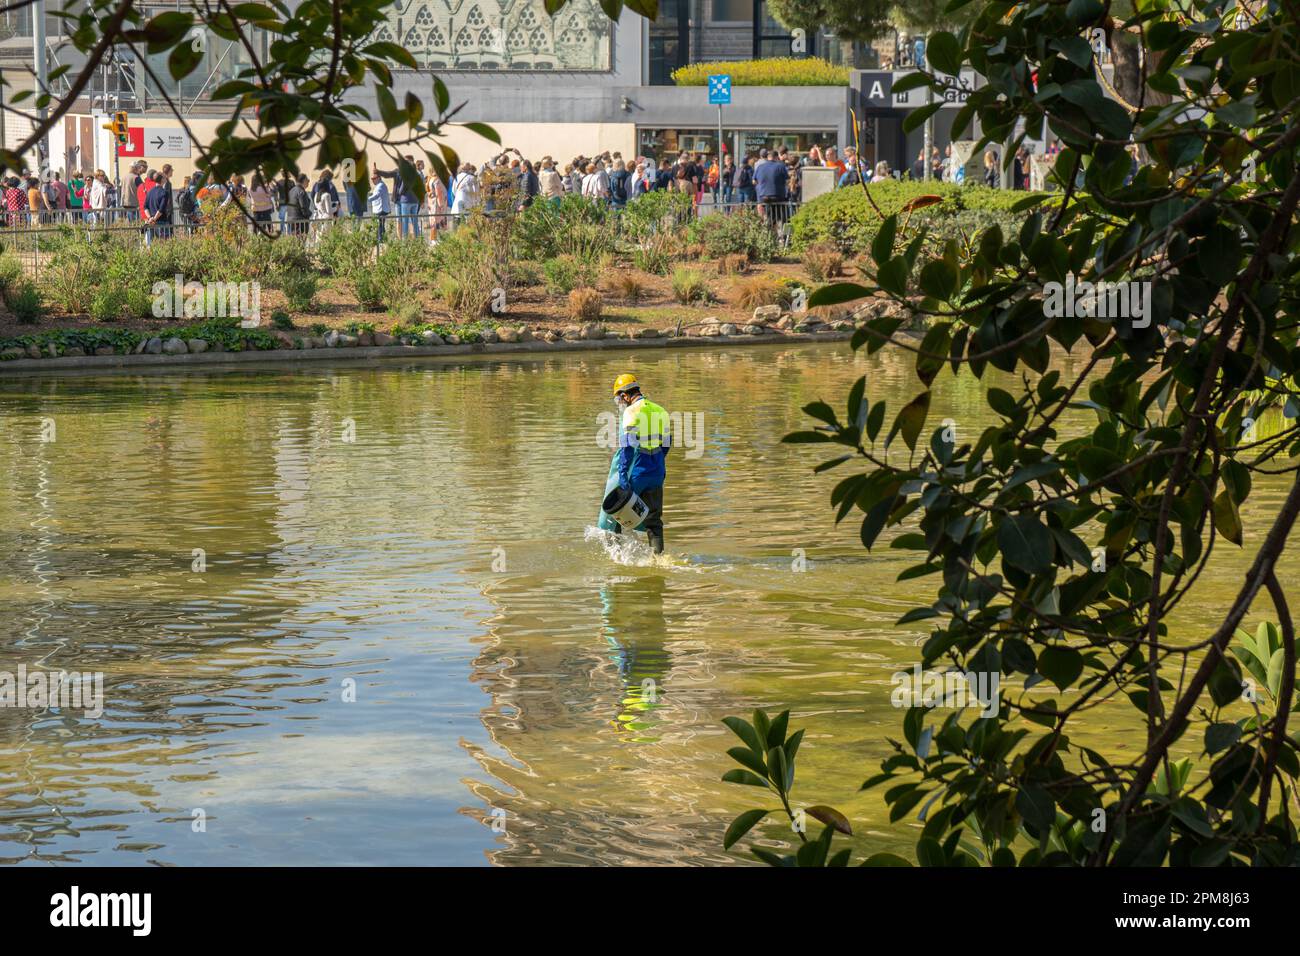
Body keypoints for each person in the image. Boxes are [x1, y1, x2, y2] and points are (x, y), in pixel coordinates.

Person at [611, 374, 670, 555]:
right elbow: (666, 445)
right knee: (654, 522)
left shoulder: (631, 412)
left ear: (625, 395)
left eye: (619, 398)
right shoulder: (661, 410)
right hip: (657, 472)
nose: (620, 403)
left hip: (639, 472)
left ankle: (617, 557)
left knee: (616, 517)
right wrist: (657, 463)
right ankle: (657, 560)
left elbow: (627, 448)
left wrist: (622, 477)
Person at [753, 149, 788, 223]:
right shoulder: (780, 166)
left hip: (764, 196)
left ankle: (769, 228)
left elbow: (754, 181)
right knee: (781, 216)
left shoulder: (760, 167)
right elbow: (787, 180)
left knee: (769, 216)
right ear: (776, 157)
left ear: (768, 157)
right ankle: (778, 229)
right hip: (777, 195)